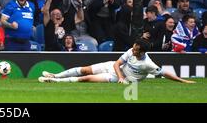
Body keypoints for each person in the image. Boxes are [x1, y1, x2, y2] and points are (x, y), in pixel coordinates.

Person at [39, 38, 195, 84]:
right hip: (114, 70)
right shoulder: (131, 50)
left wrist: (183, 81)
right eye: (133, 47)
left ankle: (53, 82)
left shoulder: (148, 64)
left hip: (116, 77)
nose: (133, 50)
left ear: (142, 52)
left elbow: (164, 73)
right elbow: (116, 63)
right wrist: (120, 76)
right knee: (84, 69)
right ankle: (56, 75)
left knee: (85, 79)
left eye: (135, 50)